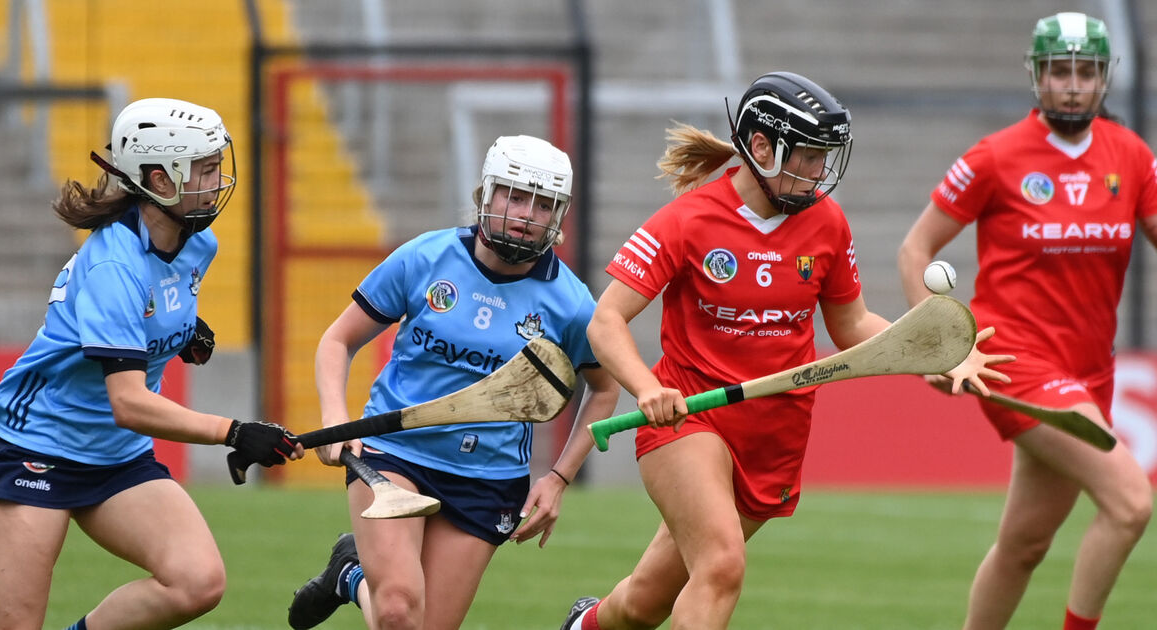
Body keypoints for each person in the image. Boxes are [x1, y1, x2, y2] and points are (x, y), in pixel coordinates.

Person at [557, 71, 1011, 630]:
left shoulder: (826, 224)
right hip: (691, 419)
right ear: (763, 148)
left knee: (647, 601)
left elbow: (853, 325)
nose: (820, 173)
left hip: (775, 433)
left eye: (826, 157)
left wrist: (932, 353)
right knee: (722, 567)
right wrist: (647, 388)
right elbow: (607, 321)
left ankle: (586, 625)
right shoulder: (688, 221)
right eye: (809, 156)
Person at [0, 97, 304, 630]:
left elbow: (157, 305)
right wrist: (235, 431)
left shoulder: (198, 244)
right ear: (159, 179)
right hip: (37, 447)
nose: (216, 182)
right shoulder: (112, 264)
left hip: (116, 456)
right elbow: (128, 403)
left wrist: (186, 333)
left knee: (197, 582)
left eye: (217, 167)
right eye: (204, 170)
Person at [285, 134, 620, 630]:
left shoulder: (570, 302)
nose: (528, 213)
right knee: (398, 611)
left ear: (560, 215)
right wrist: (337, 417)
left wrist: (558, 478)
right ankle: (364, 579)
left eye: (544, 204)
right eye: (514, 195)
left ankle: (350, 575)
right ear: (484, 194)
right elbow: (338, 341)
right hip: (394, 453)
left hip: (488, 478)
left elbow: (606, 388)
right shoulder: (426, 258)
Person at [898, 12, 1155, 630]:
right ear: (1037, 77)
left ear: (1104, 79)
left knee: (1024, 545)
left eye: (1086, 72)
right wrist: (937, 348)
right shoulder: (996, 157)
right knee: (1130, 503)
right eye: (1060, 71)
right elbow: (914, 250)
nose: (1072, 85)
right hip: (1012, 359)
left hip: (1089, 371)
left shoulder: (1132, 156)